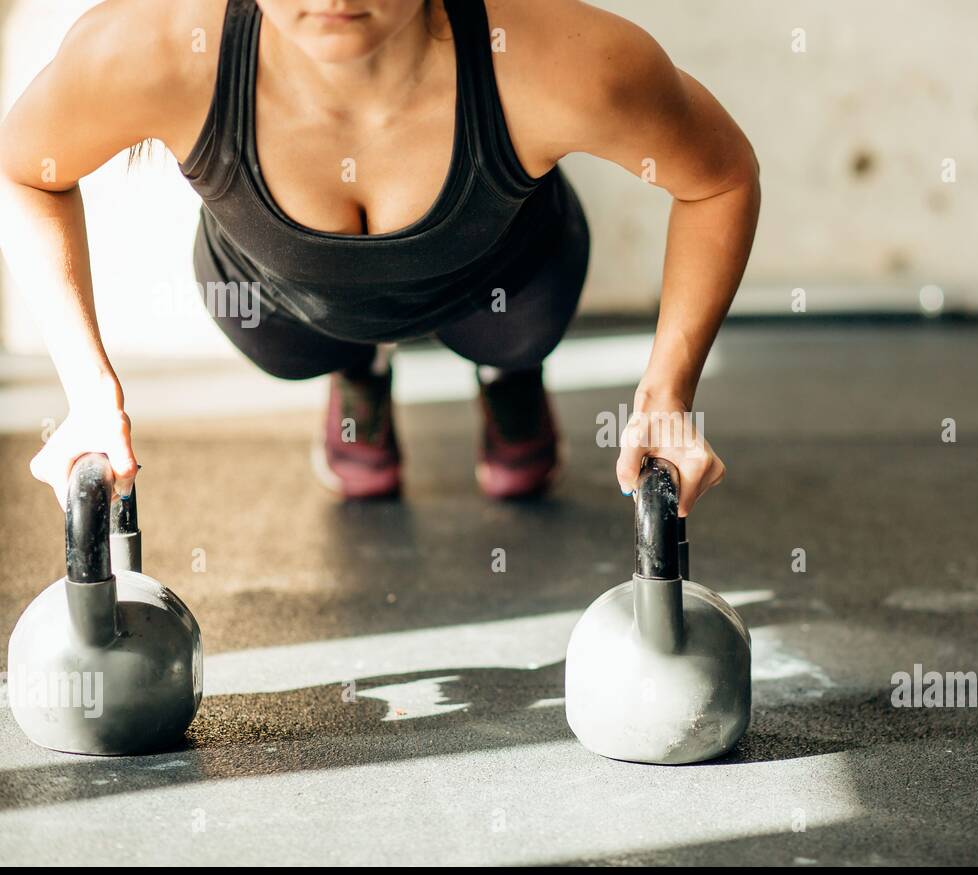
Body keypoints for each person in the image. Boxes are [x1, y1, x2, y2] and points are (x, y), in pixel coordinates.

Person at [0, 0, 759, 512]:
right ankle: (358, 365)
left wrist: (667, 392)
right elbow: (25, 171)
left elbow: (719, 180)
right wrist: (89, 394)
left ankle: (506, 373)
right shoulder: (149, 47)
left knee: (512, 331)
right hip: (284, 299)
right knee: (288, 345)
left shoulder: (563, 58)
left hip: (502, 279)